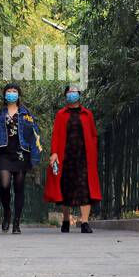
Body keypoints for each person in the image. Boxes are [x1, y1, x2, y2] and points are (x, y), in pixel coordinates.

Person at [44, 84, 100, 233]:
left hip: (84, 157)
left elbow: (94, 135)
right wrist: (54, 153)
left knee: (85, 188)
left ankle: (85, 222)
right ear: (66, 95)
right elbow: (56, 134)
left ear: (79, 95)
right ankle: (66, 220)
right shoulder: (61, 114)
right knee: (66, 188)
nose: (72, 94)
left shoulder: (88, 114)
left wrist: (93, 150)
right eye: (69, 92)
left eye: (74, 92)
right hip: (66, 156)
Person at [0, 83, 41, 234]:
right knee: (4, 184)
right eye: (9, 91)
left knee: (19, 186)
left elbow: (34, 136)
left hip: (21, 153)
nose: (11, 93)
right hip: (4, 153)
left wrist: (35, 158)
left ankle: (17, 222)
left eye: (14, 91)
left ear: (19, 94)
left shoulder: (26, 114)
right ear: (4, 95)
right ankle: (7, 213)